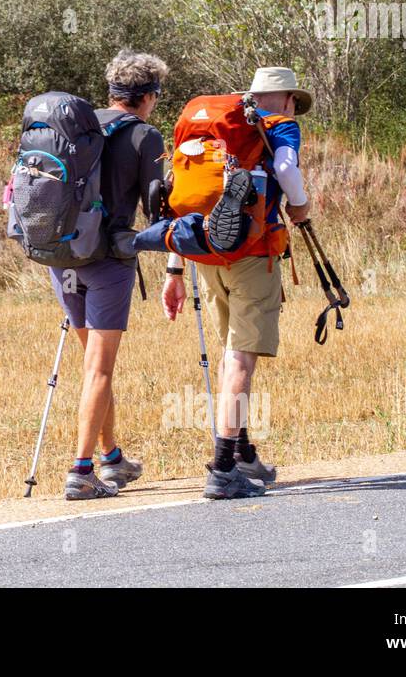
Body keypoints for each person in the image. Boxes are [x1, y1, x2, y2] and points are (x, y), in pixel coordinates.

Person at [157, 67, 313, 499]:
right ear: (283, 99)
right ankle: (223, 467)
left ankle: (243, 452)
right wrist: (300, 207)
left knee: (230, 355)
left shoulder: (216, 132)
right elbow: (285, 167)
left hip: (204, 254)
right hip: (250, 254)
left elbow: (186, 201)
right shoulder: (279, 126)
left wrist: (174, 269)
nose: (294, 108)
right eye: (294, 101)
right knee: (240, 358)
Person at [54, 50, 168, 500]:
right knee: (99, 369)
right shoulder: (145, 136)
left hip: (62, 260)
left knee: (92, 367)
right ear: (149, 96)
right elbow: (156, 205)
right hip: (108, 263)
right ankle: (81, 472)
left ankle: (112, 458)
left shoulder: (79, 127)